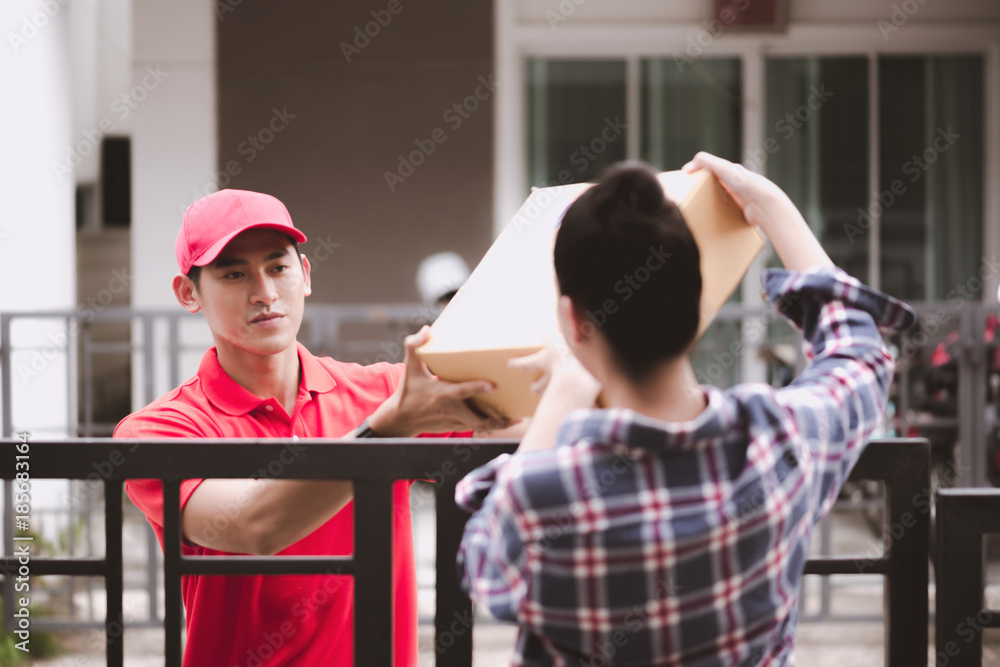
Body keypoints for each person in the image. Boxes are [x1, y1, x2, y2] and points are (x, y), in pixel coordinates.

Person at [455, 153, 916, 666]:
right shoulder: (777, 441)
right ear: (700, 299)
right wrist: (769, 204)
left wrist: (566, 388)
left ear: (572, 317)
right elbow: (860, 355)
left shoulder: (544, 493)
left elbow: (484, 562)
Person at [114, 188, 511, 667]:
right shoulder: (161, 428)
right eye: (234, 273)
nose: (263, 292)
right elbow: (255, 527)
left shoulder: (383, 392)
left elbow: (512, 428)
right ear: (188, 293)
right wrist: (381, 434)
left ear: (304, 275)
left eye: (278, 267)